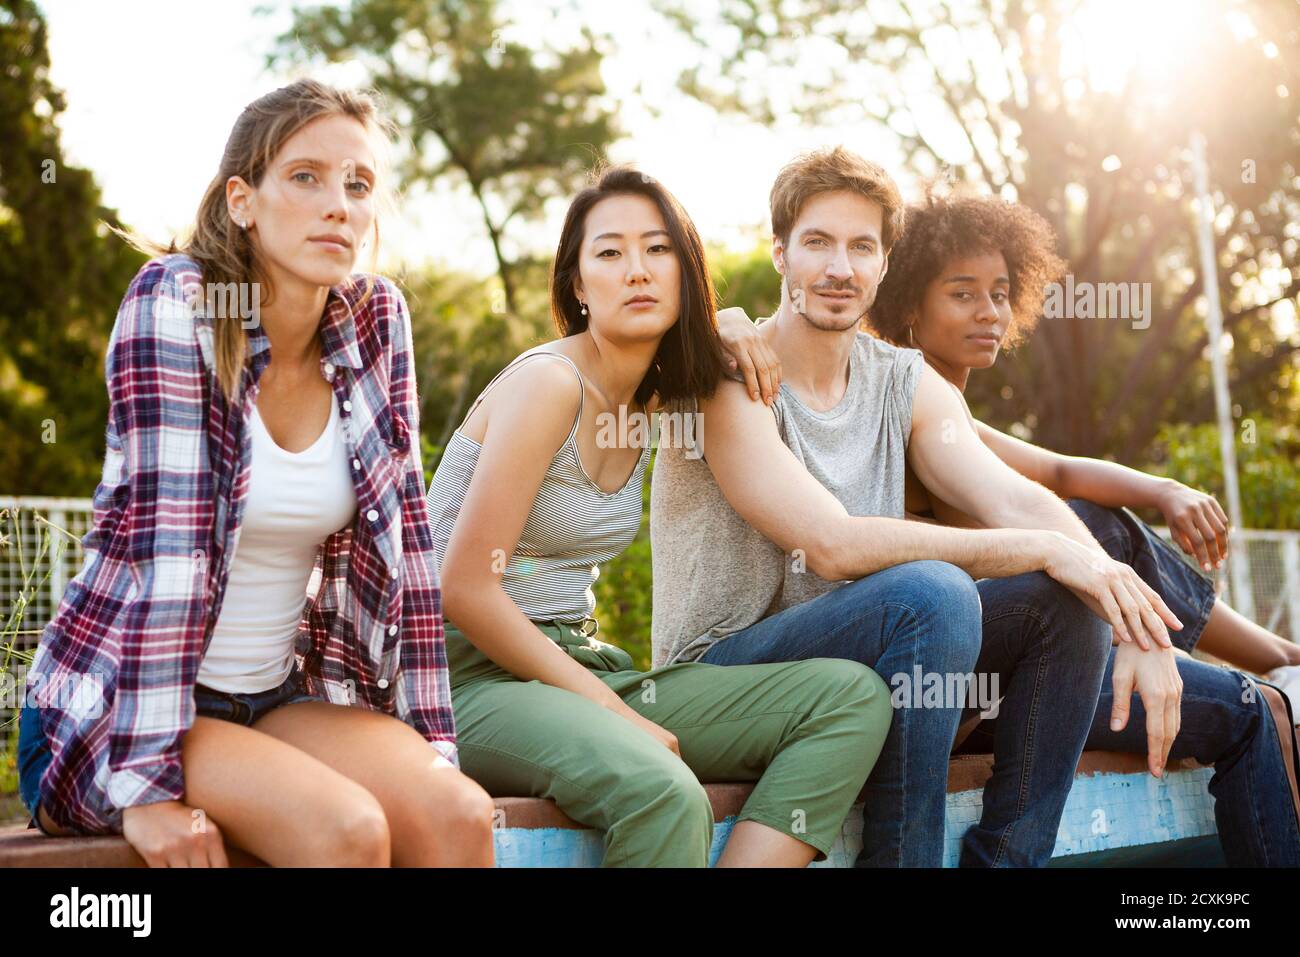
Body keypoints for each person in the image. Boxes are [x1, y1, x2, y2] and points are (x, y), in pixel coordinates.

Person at [651, 145, 1185, 868]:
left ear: (884, 261)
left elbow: (1012, 494)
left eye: (861, 246)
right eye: (817, 243)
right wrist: (1050, 549)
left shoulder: (902, 380)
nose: (840, 268)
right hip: (724, 673)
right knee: (933, 591)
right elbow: (832, 545)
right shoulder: (728, 371)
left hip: (861, 653)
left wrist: (1134, 616)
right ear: (780, 253)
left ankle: (1005, 862)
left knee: (1063, 600)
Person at [17, 80, 495, 867]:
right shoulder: (177, 303)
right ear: (243, 198)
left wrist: (423, 745)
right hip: (113, 706)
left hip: (275, 697)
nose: (336, 204)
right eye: (305, 176)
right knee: (346, 832)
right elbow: (167, 552)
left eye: (358, 184)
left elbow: (408, 550)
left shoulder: (377, 325)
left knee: (459, 816)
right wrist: (147, 789)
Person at [425, 164, 893, 867]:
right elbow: (463, 588)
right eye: (609, 253)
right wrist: (616, 712)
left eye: (658, 249)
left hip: (573, 661)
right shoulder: (549, 384)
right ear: (578, 287)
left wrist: (727, 326)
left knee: (850, 699)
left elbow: (725, 335)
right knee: (664, 792)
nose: (637, 270)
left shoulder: (662, 396)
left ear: (686, 269)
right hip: (461, 676)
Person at [866, 188, 1300, 865]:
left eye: (1001, 292)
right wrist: (1132, 622)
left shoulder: (945, 405)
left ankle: (1277, 655)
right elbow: (1030, 511)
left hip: (1019, 663)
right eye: (962, 293)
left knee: (1097, 518)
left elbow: (1062, 473)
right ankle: (1268, 665)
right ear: (908, 309)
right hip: (982, 689)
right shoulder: (914, 396)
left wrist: (1166, 489)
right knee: (1253, 711)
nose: (989, 311)